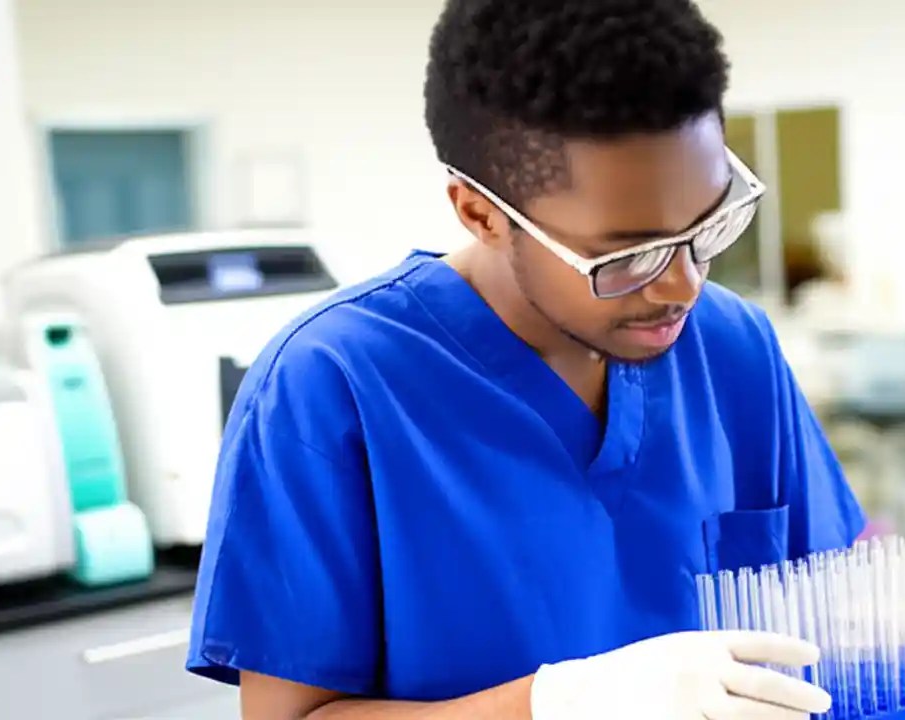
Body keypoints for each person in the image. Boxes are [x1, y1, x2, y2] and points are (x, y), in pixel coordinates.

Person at [185, 0, 866, 717]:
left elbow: (836, 622)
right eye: (628, 255)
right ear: (479, 213)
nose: (683, 285)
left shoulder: (733, 347)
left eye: (709, 224)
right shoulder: (331, 383)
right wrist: (556, 703)